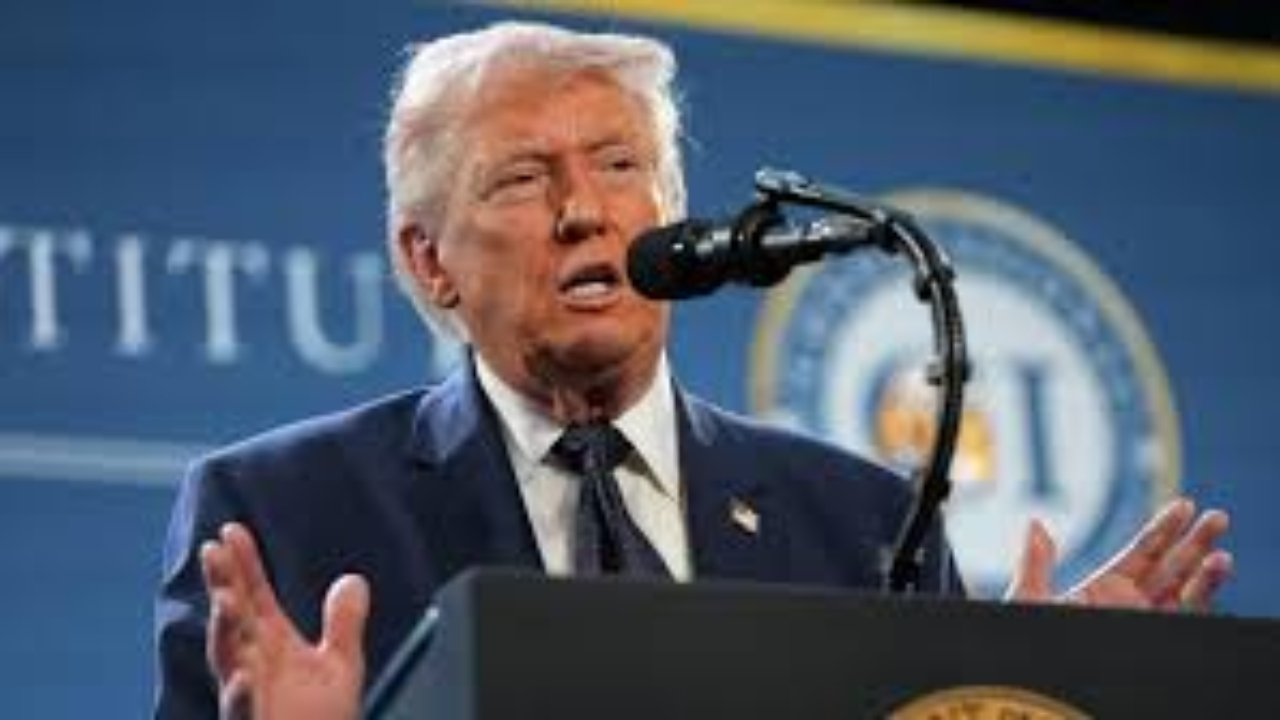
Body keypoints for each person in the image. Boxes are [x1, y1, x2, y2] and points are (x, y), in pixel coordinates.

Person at [153, 21, 1233, 720]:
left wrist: (1017, 694)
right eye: (522, 178)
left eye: (621, 165)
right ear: (427, 259)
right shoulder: (282, 514)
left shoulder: (858, 522)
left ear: (669, 213)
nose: (585, 209)